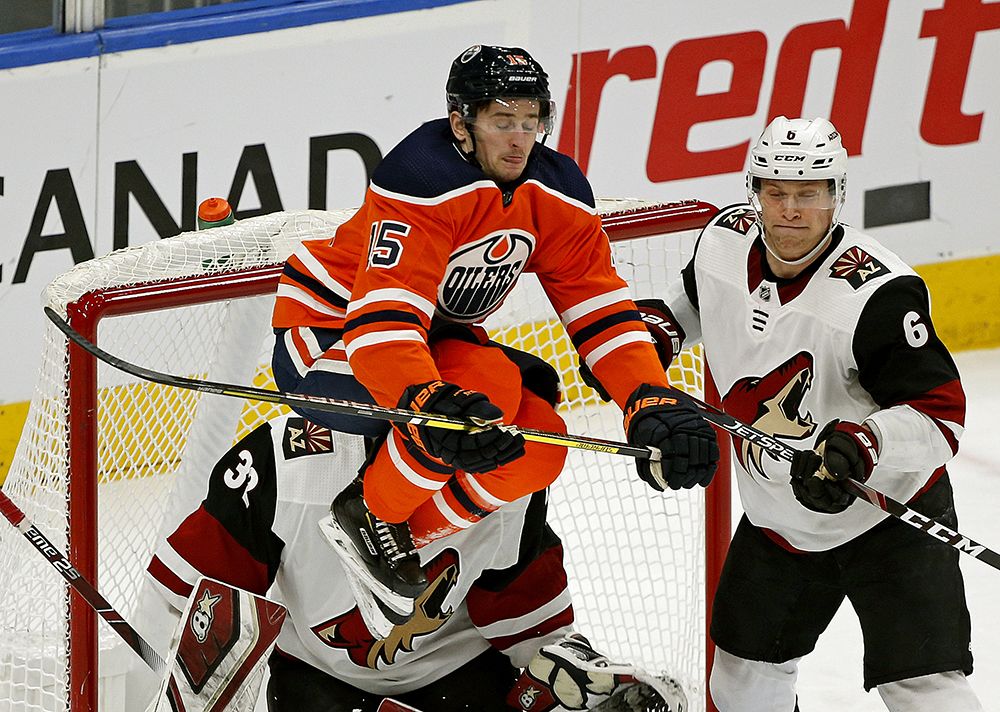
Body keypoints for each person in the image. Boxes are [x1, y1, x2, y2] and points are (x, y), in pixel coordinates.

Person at [269, 43, 719, 622]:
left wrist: (646, 395)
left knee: (541, 444)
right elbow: (382, 320)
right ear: (462, 122)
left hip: (429, 340)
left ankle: (406, 535)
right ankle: (370, 511)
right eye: (502, 121)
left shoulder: (554, 191)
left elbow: (597, 304)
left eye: (531, 121)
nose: (519, 138)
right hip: (328, 334)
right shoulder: (423, 180)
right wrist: (426, 400)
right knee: (491, 383)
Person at [633, 115, 983, 711]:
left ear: (836, 197)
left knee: (925, 692)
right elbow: (687, 306)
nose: (791, 210)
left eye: (809, 194)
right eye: (776, 192)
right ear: (755, 194)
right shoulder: (721, 242)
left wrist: (862, 444)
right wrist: (643, 346)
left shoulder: (878, 293)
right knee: (740, 684)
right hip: (778, 522)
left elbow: (942, 415)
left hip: (889, 519)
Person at [129, 412, 686, 712]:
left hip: (459, 671)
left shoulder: (506, 478)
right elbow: (177, 603)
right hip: (319, 679)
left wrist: (559, 676)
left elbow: (530, 622)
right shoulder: (284, 467)